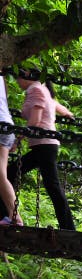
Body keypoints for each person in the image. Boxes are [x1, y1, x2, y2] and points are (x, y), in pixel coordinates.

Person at [1, 74, 75, 230]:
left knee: (52, 185)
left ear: (27, 76)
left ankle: (68, 228)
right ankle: (7, 215)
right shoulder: (41, 89)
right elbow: (52, 103)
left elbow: (34, 122)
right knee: (9, 174)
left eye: (17, 78)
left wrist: (17, 140)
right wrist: (66, 112)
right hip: (41, 145)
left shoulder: (36, 90)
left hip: (44, 145)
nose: (17, 82)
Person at [0, 74, 20, 226]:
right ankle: (12, 216)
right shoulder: (2, 77)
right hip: (7, 124)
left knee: (0, 175)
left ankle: (15, 217)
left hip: (1, 126)